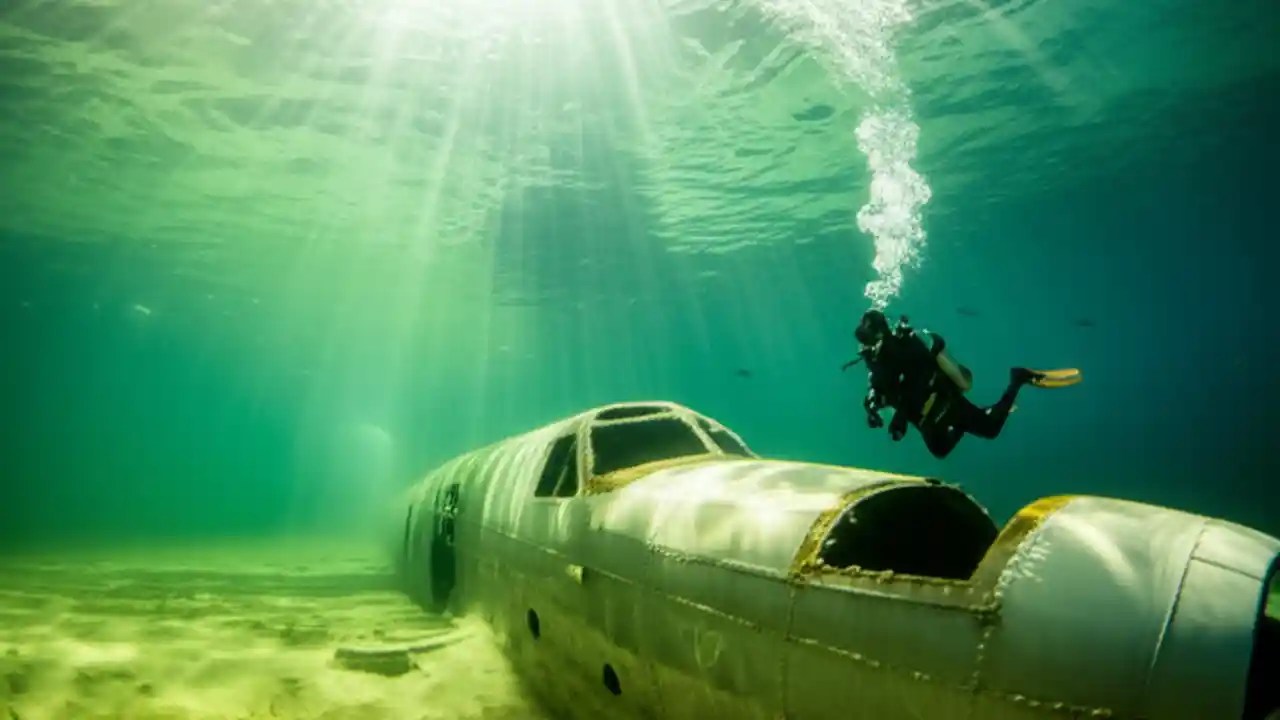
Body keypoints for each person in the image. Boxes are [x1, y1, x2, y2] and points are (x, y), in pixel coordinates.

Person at [841, 309, 1080, 458]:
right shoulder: (876, 361)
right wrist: (871, 407)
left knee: (990, 429)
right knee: (940, 450)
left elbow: (921, 376)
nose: (866, 347)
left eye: (870, 338)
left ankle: (1018, 378)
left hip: (943, 401)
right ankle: (977, 417)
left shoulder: (906, 346)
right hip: (926, 418)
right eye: (864, 341)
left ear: (881, 332)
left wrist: (901, 415)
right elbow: (880, 387)